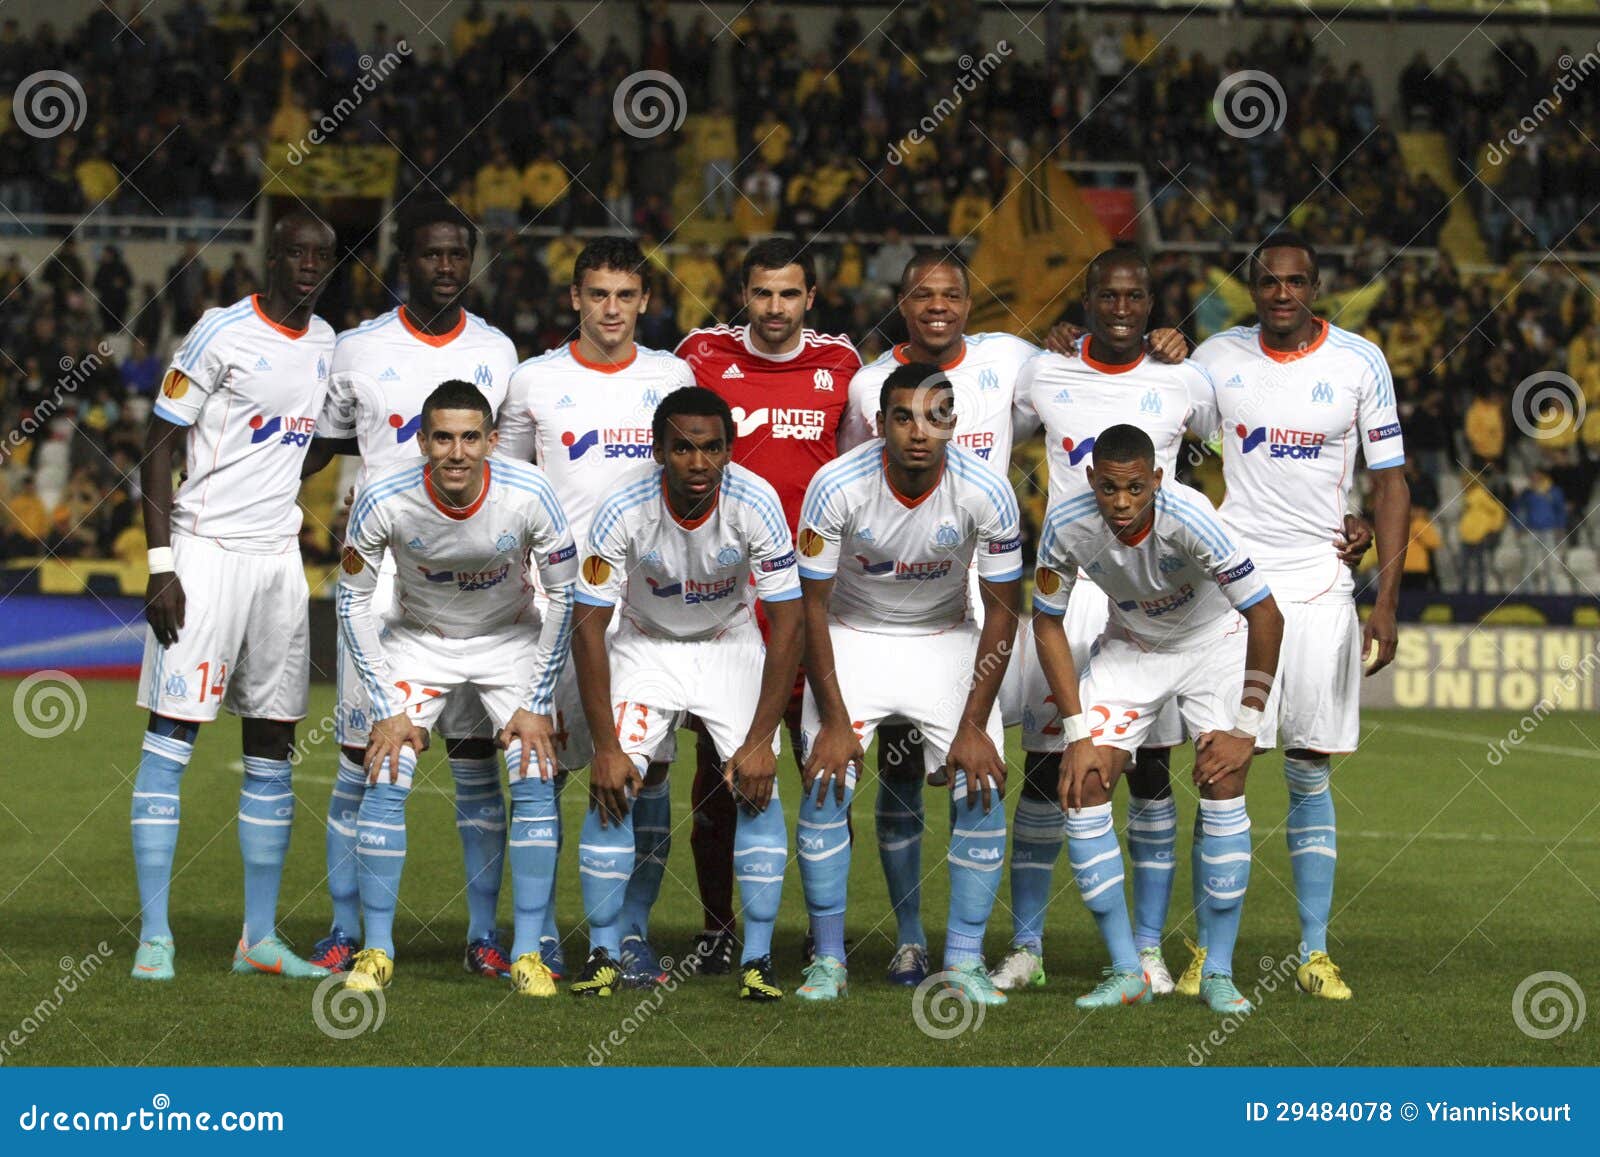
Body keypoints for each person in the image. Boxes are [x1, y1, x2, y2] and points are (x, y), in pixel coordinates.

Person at [303, 197, 522, 979]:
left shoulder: (498, 351)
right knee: (362, 756)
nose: (446, 266)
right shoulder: (358, 348)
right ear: (405, 261)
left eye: (457, 253)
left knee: (474, 758)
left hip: (473, 580)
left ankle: (484, 934)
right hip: (383, 576)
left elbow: (513, 467)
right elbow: (320, 447)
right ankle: (346, 928)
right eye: (431, 253)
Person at [1188, 232, 1409, 1001]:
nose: (1282, 293)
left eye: (1296, 281)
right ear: (1254, 288)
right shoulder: (1215, 358)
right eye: (1269, 282)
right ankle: (1207, 953)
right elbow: (1157, 431)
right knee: (1222, 765)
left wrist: (1385, 599)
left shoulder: (1358, 362)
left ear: (1315, 287)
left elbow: (1391, 482)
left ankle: (1314, 952)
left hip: (1321, 587)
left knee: (1309, 768)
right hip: (1235, 588)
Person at [1000, 248, 1221, 994]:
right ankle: (1027, 946)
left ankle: (1146, 951)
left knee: (1151, 771)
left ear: (1152, 302)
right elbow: (992, 438)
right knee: (1046, 765)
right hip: (1068, 589)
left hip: (1152, 593)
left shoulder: (1184, 378)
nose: (1121, 308)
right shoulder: (1044, 371)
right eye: (1107, 295)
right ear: (1087, 299)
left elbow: (1233, 451)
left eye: (1134, 297)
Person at [129, 211, 338, 981]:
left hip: (279, 559)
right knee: (172, 734)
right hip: (204, 552)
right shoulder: (220, 332)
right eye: (297, 252)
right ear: (271, 257)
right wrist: (161, 564)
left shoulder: (327, 343)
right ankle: (155, 936)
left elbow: (307, 439)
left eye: (322, 255)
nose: (310, 264)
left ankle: (257, 939)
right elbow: (157, 445)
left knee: (274, 740)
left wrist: (281, 470)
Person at [497, 236, 697, 985]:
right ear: (575, 299)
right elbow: (510, 491)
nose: (611, 309)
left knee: (646, 773)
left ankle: (630, 931)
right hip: (555, 609)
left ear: (644, 301)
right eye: (598, 294)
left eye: (625, 295)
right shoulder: (534, 380)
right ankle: (541, 933)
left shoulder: (671, 376)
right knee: (542, 769)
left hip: (646, 613)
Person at [336, 381, 579, 997]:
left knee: (533, 768)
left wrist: (535, 703)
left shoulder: (530, 492)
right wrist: (387, 708)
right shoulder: (383, 496)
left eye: (471, 437)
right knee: (387, 767)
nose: (457, 452)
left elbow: (565, 596)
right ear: (422, 441)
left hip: (509, 636)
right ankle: (377, 950)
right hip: (420, 637)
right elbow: (352, 600)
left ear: (493, 441)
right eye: (443, 438)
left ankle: (527, 951)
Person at [1032, 423, 1283, 1013]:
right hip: (1133, 646)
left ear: (1158, 481)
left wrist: (1245, 730)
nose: (1122, 502)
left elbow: (1266, 615)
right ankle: (1128, 971)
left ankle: (1218, 972)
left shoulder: (1192, 518)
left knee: (1223, 781)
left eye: (1136, 488)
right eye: (1109, 488)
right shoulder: (1066, 523)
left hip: (1213, 641)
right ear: (1090, 479)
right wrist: (1076, 732)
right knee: (1084, 782)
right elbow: (1046, 621)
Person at [793, 362, 1021, 1006]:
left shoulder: (988, 489)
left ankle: (965, 961)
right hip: (851, 633)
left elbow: (1004, 610)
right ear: (878, 423)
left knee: (982, 783)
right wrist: (834, 721)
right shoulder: (835, 484)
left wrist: (974, 726)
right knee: (824, 783)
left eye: (935, 417)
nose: (919, 432)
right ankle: (829, 960)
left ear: (954, 423)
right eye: (903, 418)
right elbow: (810, 607)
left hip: (944, 636)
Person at [838, 252, 1036, 986]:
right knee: (897, 767)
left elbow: (1081, 386)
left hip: (987, 589)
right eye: (923, 295)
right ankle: (910, 938)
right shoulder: (868, 384)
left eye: (951, 294)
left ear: (968, 302)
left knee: (978, 766)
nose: (938, 306)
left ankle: (990, 945)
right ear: (903, 303)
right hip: (901, 596)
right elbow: (859, 487)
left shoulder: (1010, 360)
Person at [567, 387, 802, 1001]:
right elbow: (588, 624)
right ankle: (603, 952)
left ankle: (758, 960)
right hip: (646, 643)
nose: (699, 463)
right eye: (683, 449)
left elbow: (790, 621)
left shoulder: (756, 501)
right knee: (615, 783)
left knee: (758, 786)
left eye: (713, 448)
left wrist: (760, 741)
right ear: (658, 450)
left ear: (730, 450)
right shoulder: (622, 505)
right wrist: (605, 746)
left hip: (728, 641)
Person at [673, 239, 861, 974]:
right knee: (719, 772)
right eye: (762, 293)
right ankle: (719, 927)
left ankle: (822, 934)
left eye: (789, 294)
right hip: (725, 603)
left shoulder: (841, 366)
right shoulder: (700, 356)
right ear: (742, 295)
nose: (775, 308)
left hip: (811, 601)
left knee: (824, 771)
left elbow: (853, 468)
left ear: (810, 298)